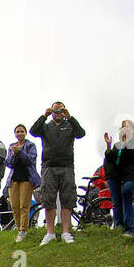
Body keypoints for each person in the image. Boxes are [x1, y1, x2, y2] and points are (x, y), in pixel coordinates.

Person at [30, 101, 86, 244]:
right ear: (51, 111)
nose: (58, 113)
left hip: (67, 166)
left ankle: (66, 232)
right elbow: (33, 131)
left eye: (60, 110)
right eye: (55, 111)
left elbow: (81, 133)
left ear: (64, 111)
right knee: (48, 199)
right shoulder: (46, 126)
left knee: (67, 198)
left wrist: (70, 118)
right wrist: (44, 116)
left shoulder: (69, 125)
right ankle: (50, 232)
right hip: (49, 167)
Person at [104, 121, 134, 236]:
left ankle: (130, 229)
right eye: (122, 126)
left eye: (126, 126)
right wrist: (108, 146)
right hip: (122, 176)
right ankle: (119, 227)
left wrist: (126, 142)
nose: (123, 128)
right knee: (119, 201)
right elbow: (110, 159)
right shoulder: (118, 144)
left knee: (126, 192)